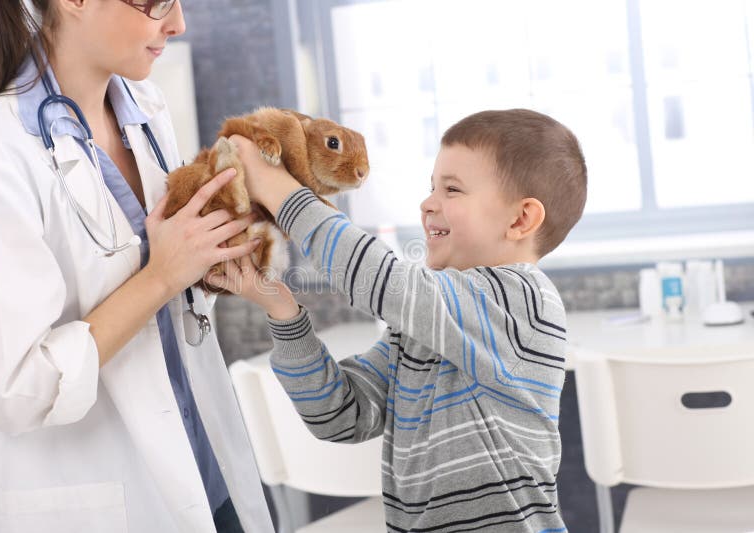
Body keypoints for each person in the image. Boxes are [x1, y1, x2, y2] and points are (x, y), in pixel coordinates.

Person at [0, 1, 274, 532]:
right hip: (105, 497)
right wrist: (163, 275)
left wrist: (208, 258)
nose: (178, 24)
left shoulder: (145, 107)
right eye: (156, 4)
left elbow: (160, 293)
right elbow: (19, 389)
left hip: (204, 470)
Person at [216, 109, 587, 532]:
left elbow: (380, 280)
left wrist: (276, 189)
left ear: (520, 219)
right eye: (432, 187)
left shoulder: (524, 300)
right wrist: (281, 308)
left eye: (452, 189)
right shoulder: (421, 327)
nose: (428, 203)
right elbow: (339, 416)